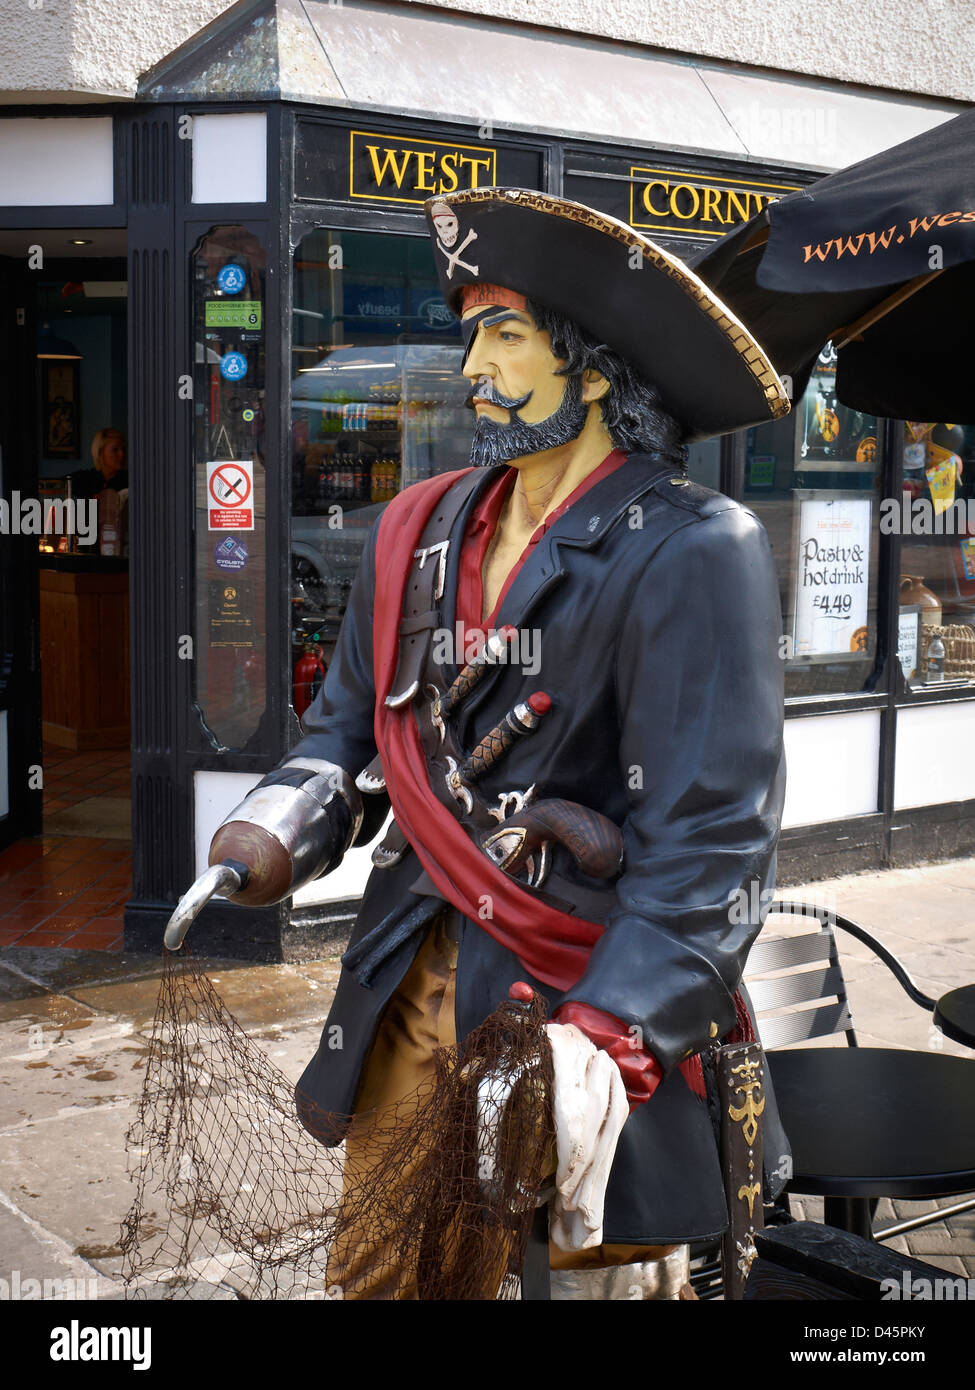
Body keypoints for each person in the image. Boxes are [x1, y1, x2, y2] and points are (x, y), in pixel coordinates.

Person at [202, 189, 792, 1299]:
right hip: (409, 995)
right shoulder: (414, 526)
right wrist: (270, 831)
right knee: (379, 1275)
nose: (472, 365)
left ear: (599, 367)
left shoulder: (695, 547)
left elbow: (711, 848)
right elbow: (346, 738)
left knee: (568, 1290)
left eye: (506, 334)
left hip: (570, 1018)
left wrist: (604, 1035)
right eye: (470, 331)